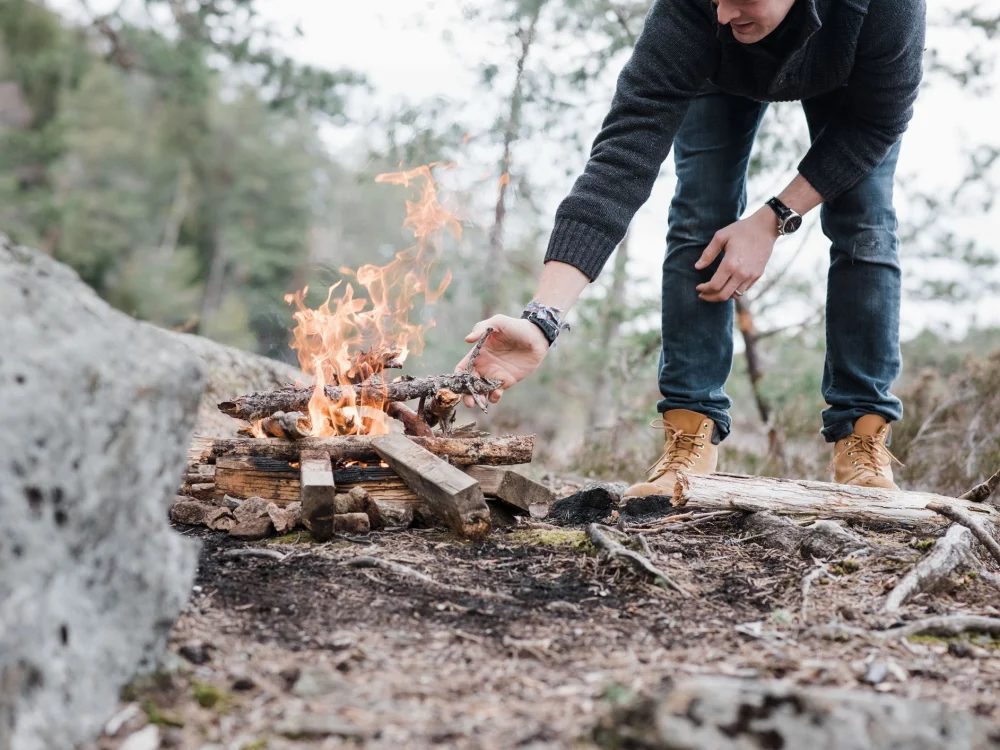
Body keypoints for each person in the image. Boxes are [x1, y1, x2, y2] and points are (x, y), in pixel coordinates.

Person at [457, 0, 926, 499]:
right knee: (700, 216)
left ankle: (862, 439)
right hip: (721, 77)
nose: (723, 14)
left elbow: (878, 122)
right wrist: (542, 317)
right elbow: (620, 161)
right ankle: (691, 432)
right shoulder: (695, 12)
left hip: (852, 84)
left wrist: (773, 218)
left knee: (865, 224)